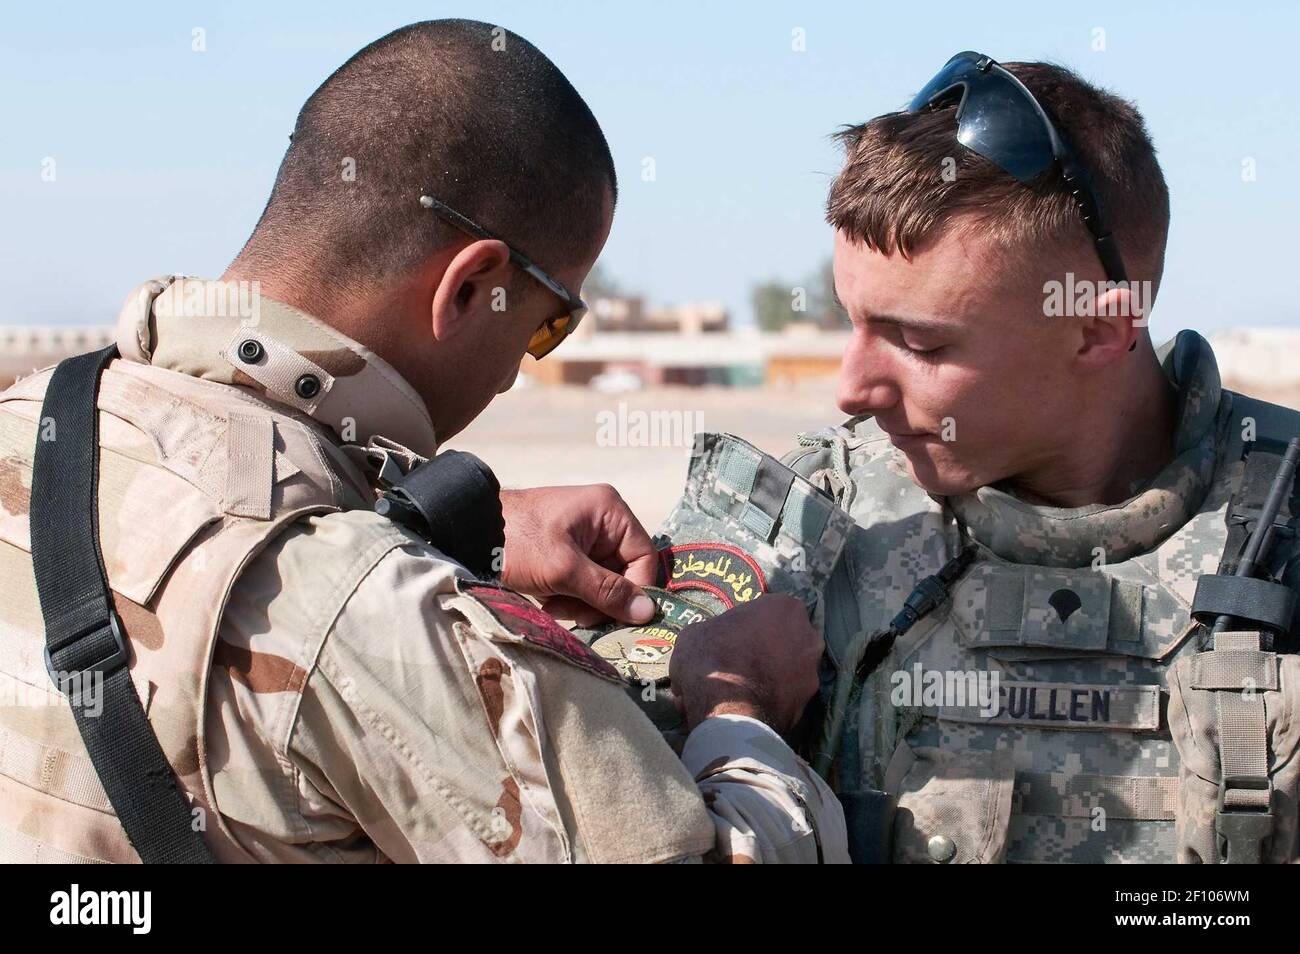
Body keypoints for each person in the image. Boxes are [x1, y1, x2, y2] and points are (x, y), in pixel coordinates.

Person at [0, 19, 846, 864]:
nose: (518, 370)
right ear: (472, 285)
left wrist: (433, 529)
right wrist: (744, 716)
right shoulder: (373, 614)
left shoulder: (39, 419)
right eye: (549, 322)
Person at [776, 52, 1300, 863]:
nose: (851, 389)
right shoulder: (808, 527)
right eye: (853, 322)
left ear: (1097, 328)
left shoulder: (1284, 517)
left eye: (918, 341)